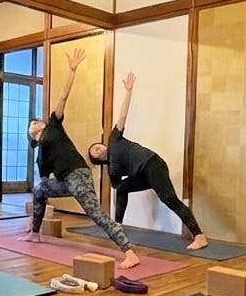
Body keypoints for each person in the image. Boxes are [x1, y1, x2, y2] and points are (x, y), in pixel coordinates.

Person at [23, 48, 141, 269]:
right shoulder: (40, 157)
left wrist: (72, 71)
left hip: (78, 174)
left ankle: (129, 252)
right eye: (31, 124)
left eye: (36, 121)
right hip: (64, 181)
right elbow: (45, 183)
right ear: (31, 136)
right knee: (39, 190)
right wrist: (32, 220)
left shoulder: (53, 126)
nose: (34, 122)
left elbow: (63, 96)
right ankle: (35, 234)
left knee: (95, 214)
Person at [88, 72, 208, 251]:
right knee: (121, 188)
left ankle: (199, 236)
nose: (98, 148)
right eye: (95, 151)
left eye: (97, 145)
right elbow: (118, 188)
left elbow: (122, 116)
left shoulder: (114, 139)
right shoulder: (112, 170)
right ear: (97, 160)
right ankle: (117, 226)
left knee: (169, 199)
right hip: (142, 174)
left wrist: (129, 91)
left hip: (152, 164)